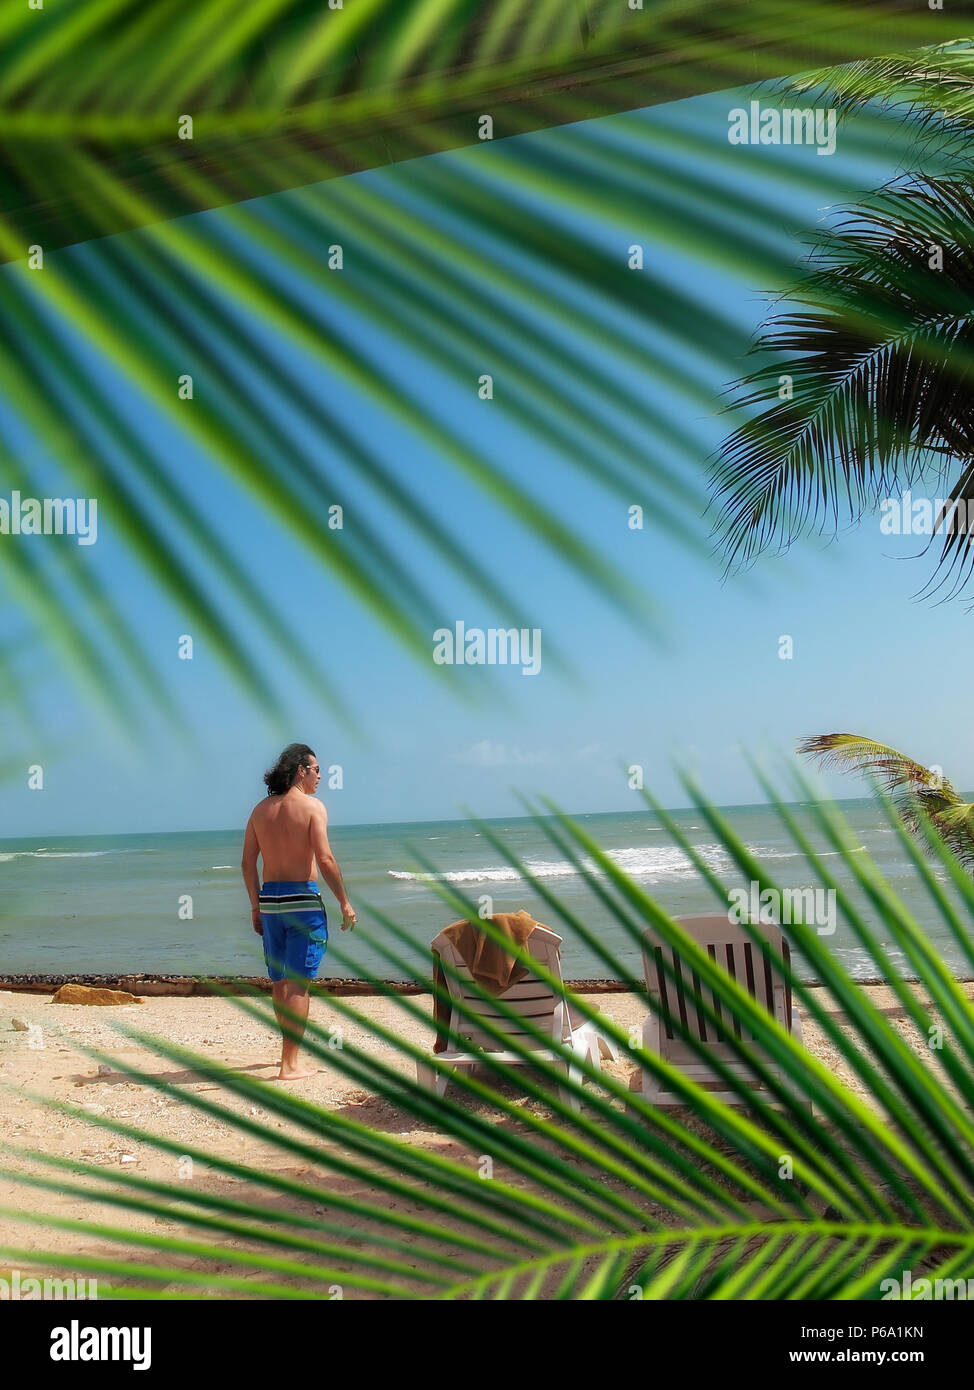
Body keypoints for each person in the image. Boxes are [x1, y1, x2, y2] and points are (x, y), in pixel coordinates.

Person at [241, 743, 356, 1080]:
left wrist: (255, 905)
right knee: (298, 985)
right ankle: (289, 1064)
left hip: (270, 902)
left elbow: (247, 864)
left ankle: (287, 1056)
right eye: (317, 770)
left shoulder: (260, 810)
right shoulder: (311, 807)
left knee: (280, 981)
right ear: (301, 770)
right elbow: (325, 859)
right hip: (302, 902)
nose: (320, 776)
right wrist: (344, 901)